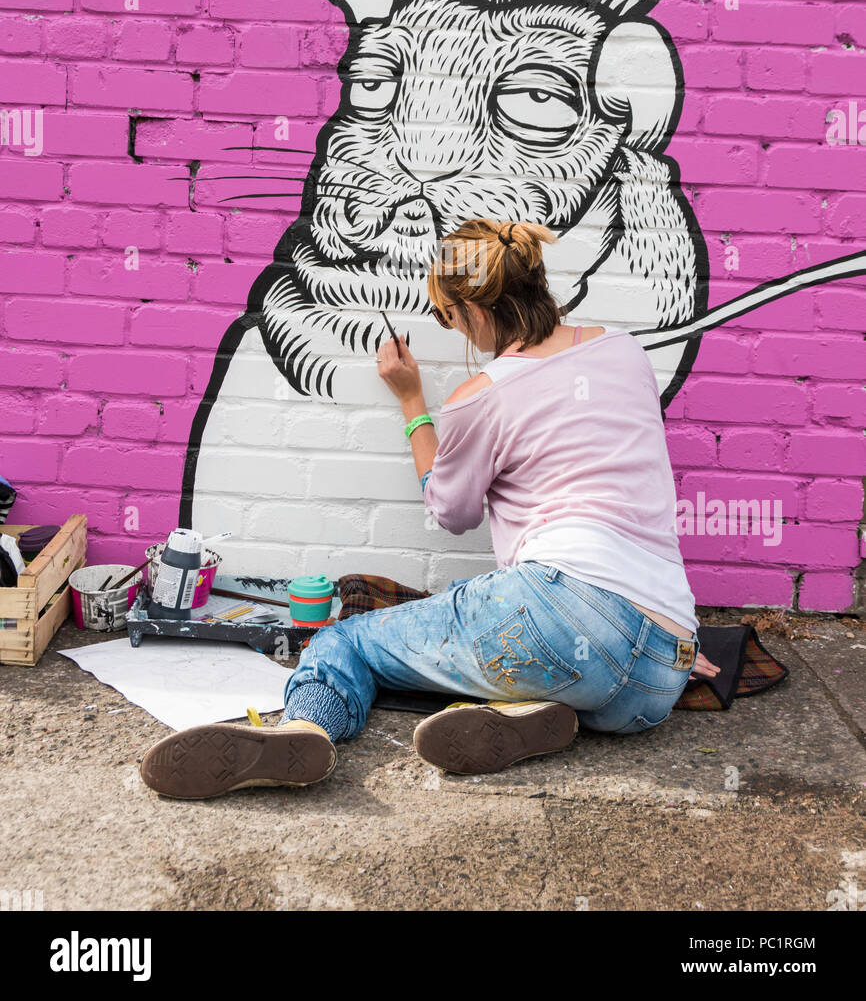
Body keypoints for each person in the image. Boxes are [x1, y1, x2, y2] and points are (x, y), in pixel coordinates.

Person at [140, 219, 719, 799]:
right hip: (661, 671)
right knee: (583, 672)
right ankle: (535, 712)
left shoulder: (483, 394)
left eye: (446, 315)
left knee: (346, 642)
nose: (451, 328)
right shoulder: (625, 352)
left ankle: (306, 728)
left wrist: (413, 401)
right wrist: (641, 642)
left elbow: (450, 509)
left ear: (474, 311)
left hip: (557, 611)